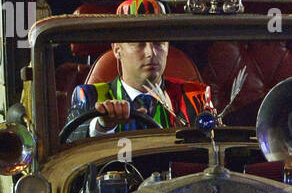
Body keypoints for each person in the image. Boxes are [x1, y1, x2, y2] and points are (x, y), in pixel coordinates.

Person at [66, 39, 209, 141]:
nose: (151, 53)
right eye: (139, 43)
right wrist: (101, 126)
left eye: (159, 43)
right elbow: (70, 148)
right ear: (117, 49)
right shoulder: (90, 96)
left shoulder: (196, 97)